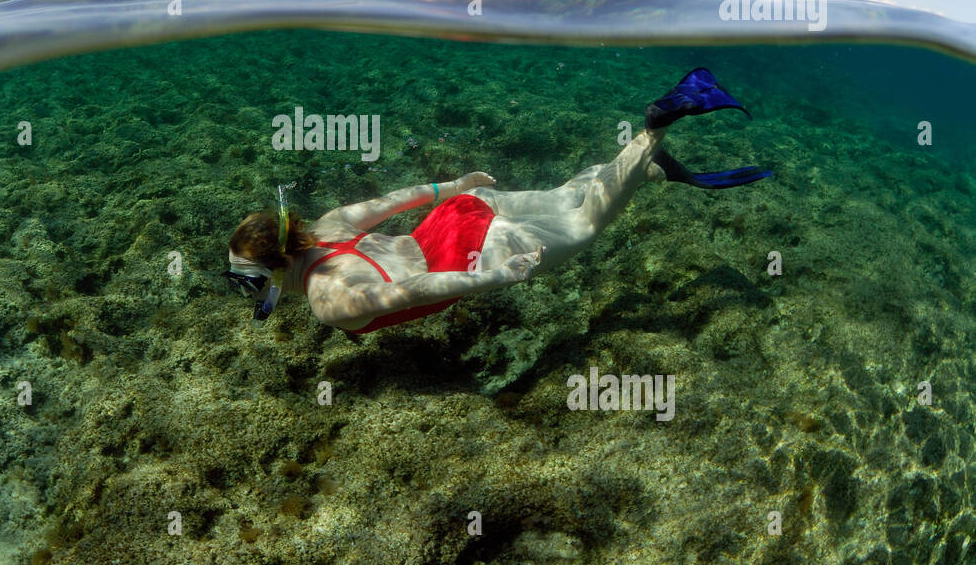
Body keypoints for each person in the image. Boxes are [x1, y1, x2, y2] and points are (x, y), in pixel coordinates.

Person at [226, 69, 771, 334]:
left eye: (248, 282)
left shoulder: (328, 301)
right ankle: (648, 167)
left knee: (583, 226)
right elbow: (395, 200)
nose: (253, 293)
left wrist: (496, 277)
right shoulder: (325, 225)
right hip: (460, 214)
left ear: (273, 269)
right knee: (566, 195)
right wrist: (457, 187)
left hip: (470, 252)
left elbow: (414, 289)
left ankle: (655, 129)